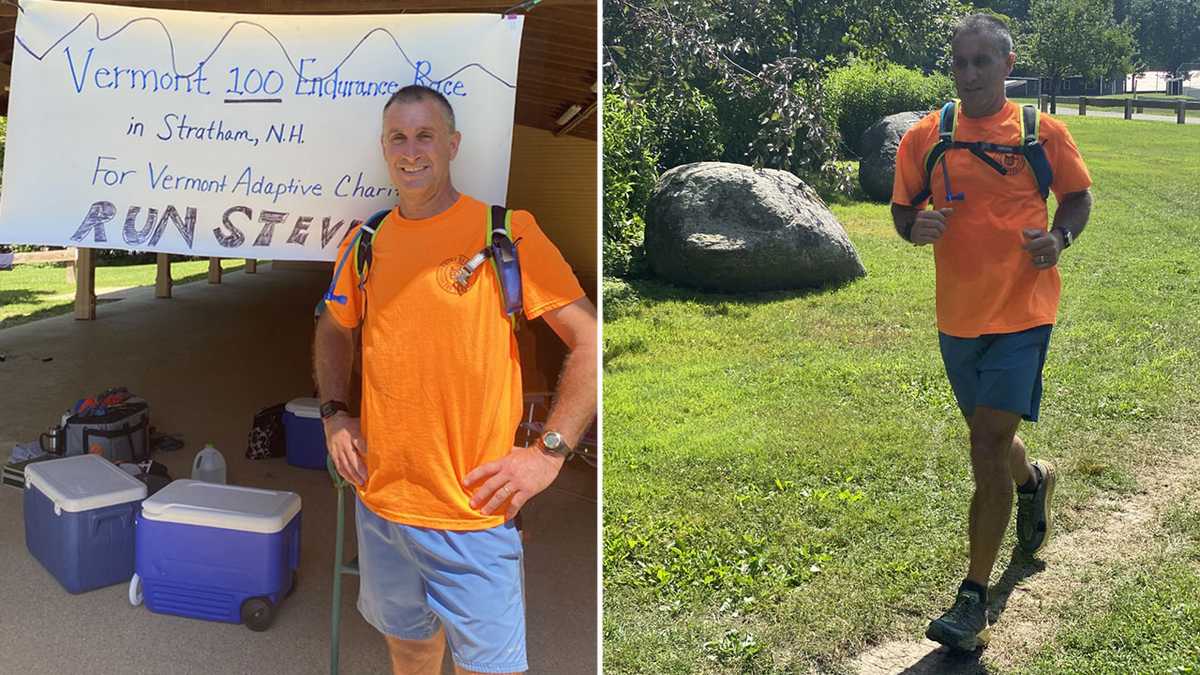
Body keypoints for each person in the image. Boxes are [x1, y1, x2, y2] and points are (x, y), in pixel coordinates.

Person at [313, 84, 597, 674]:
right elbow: (334, 327)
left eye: (425, 136)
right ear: (383, 147)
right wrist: (336, 412)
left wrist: (548, 453)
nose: (411, 151)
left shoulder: (504, 232)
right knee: (410, 650)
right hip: (383, 503)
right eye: (398, 137)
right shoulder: (368, 241)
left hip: (474, 511)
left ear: (453, 145)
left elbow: (591, 338)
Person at [890, 14, 1093, 652]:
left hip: (1025, 313)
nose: (970, 73)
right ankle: (1033, 483)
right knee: (992, 438)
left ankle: (972, 601)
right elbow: (903, 206)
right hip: (958, 317)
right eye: (960, 63)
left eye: (982, 62)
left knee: (984, 443)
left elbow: (1079, 197)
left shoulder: (1040, 132)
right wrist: (911, 226)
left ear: (1007, 65)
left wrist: (1058, 239)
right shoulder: (928, 135)